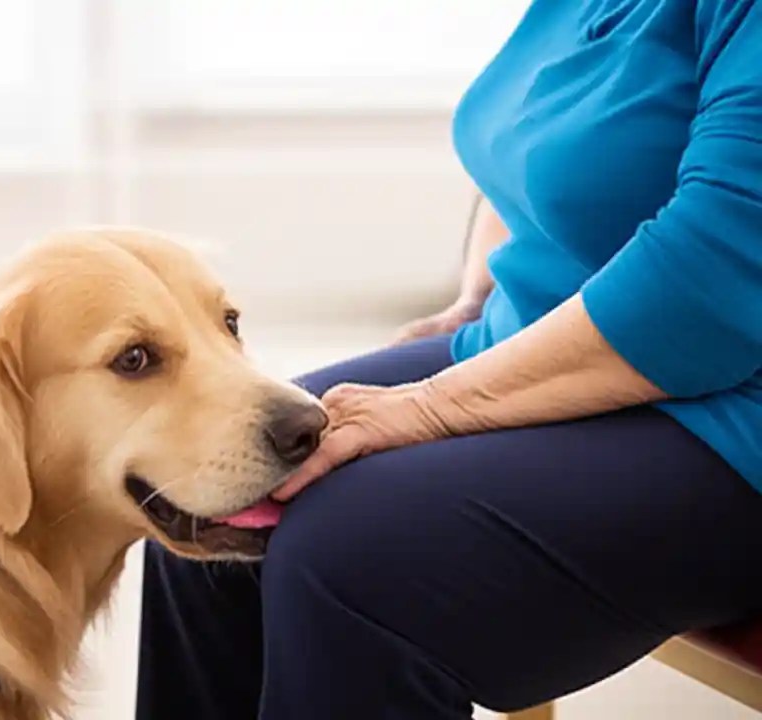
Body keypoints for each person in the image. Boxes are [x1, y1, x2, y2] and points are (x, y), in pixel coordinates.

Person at [134, 1, 762, 718]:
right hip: (547, 345)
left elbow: (709, 288)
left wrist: (431, 405)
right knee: (217, 500)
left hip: (733, 412)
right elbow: (532, 144)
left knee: (353, 554)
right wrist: (475, 297)